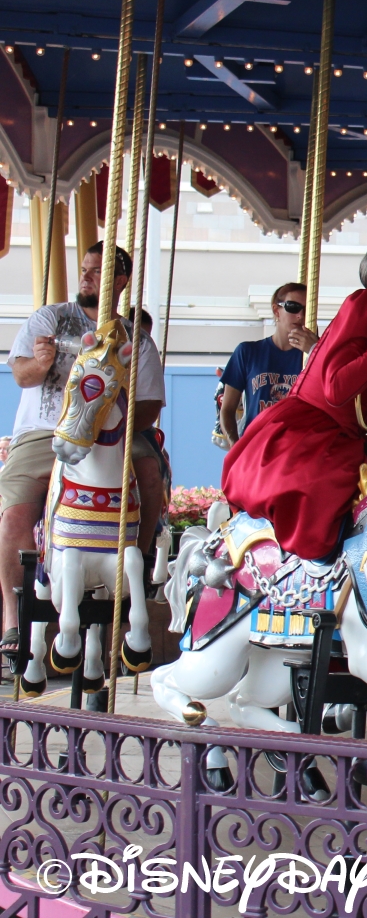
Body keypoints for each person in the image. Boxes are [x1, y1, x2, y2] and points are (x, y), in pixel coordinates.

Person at [222, 223, 367, 560]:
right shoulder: (365, 305)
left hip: (339, 433)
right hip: (313, 434)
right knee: (323, 522)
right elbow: (336, 388)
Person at [0, 242, 165, 652]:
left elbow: (149, 405)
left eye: (96, 272)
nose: (86, 277)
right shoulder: (51, 318)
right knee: (13, 513)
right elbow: (20, 374)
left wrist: (110, 423)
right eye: (85, 269)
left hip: (111, 434)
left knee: (148, 470)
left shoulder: (136, 340)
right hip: (45, 431)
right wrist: (41, 362)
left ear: (119, 281)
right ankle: (12, 618)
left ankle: (140, 561)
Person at [219, 282, 319, 444]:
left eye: (306, 310)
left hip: (298, 446)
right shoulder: (248, 352)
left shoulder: (316, 355)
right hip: (256, 445)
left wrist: (316, 351)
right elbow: (227, 409)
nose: (300, 315)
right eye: (293, 307)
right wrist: (235, 447)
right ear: (276, 310)